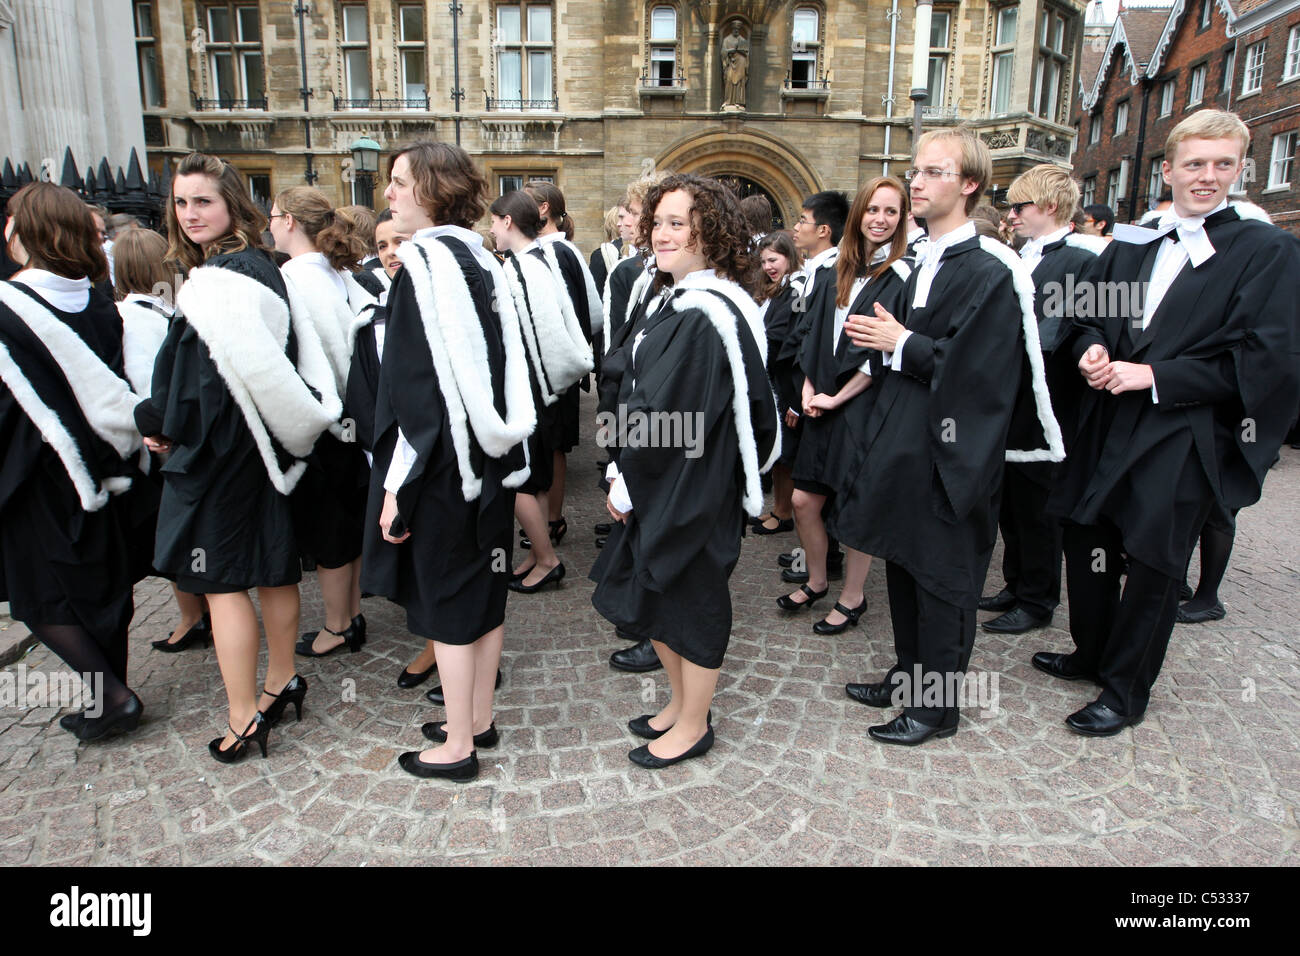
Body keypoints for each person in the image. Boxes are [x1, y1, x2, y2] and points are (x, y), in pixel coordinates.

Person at [1040, 110, 1300, 735]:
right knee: (1088, 538)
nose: (1207, 177)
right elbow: (1082, 318)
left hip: (1183, 434)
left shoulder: (1266, 252)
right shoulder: (1134, 242)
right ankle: (1093, 651)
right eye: (1194, 164)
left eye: (1222, 165)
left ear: (1242, 168)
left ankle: (1126, 690)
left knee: (1154, 560)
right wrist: (1091, 352)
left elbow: (1269, 360)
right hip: (1105, 419)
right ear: (1169, 168)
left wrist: (1156, 377)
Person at [837, 127, 1063, 746]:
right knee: (906, 567)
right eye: (916, 170)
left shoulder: (994, 268)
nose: (916, 181)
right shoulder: (919, 261)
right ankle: (911, 678)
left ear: (969, 185)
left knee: (945, 580)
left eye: (933, 172)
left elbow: (987, 370)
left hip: (955, 454)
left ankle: (936, 709)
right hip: (908, 445)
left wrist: (902, 344)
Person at [137, 152, 341, 763]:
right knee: (273, 567)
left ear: (231, 204)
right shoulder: (264, 267)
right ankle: (282, 681)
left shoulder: (221, 279)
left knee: (223, 584)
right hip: (265, 450)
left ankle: (243, 716)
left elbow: (206, 386)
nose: (190, 212)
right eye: (180, 201)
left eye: (203, 200)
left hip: (222, 456)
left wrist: (161, 424)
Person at [591, 173, 778, 767]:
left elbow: (666, 411)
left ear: (711, 231)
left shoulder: (704, 312)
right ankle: (678, 704)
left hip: (688, 483)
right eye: (658, 221)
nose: (661, 232)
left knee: (691, 599)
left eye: (678, 222)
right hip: (675, 476)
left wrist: (624, 475)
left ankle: (694, 723)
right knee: (662, 594)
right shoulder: (684, 297)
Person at [363, 142, 534, 782]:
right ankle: (480, 719)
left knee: (448, 605)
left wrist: (394, 487)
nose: (390, 195)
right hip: (486, 459)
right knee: (484, 593)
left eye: (401, 183)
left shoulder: (423, 267)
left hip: (441, 467)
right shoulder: (481, 259)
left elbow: (412, 394)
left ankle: (458, 745)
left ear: (433, 189)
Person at [0, 182, 145, 742]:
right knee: (103, 583)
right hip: (104, 461)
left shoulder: (11, 307)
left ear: (25, 230)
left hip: (39, 471)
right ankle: (108, 692)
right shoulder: (99, 300)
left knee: (40, 595)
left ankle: (110, 695)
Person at [980, 165, 1106, 636]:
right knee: (1012, 504)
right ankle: (1016, 584)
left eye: (1019, 207)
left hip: (1047, 403)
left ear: (1049, 207)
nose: (1011, 215)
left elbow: (1058, 334)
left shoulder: (1077, 259)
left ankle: (1038, 599)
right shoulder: (1025, 255)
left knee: (1038, 509)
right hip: (1015, 402)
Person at [787, 177, 913, 636]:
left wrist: (837, 396)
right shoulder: (832, 271)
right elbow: (810, 335)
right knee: (804, 501)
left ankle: (853, 596)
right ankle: (819, 579)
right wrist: (806, 388)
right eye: (873, 210)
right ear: (858, 214)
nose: (880, 220)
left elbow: (881, 352)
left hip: (863, 408)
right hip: (819, 399)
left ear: (901, 220)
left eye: (891, 212)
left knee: (855, 506)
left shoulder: (902, 277)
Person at [268, 187, 377, 661]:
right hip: (354, 418)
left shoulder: (292, 279)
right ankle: (349, 614)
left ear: (289, 221)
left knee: (329, 528)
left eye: (272, 215)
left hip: (325, 420)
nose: (268, 224)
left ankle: (337, 625)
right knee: (347, 522)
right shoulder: (340, 275)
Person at [111, 226, 215, 654]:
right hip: (181, 432)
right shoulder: (167, 312)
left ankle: (194, 616)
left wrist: (154, 428)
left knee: (173, 534)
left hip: (161, 440)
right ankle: (200, 611)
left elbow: (146, 387)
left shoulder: (131, 317)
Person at [490, 190, 594, 594]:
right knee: (532, 478)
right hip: (541, 391)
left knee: (519, 479)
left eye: (495, 222)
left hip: (533, 393)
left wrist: (541, 390)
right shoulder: (535, 261)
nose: (492, 230)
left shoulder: (525, 267)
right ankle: (537, 554)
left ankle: (548, 560)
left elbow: (545, 336)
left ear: (509, 222)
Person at [522, 180, 603, 548]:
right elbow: (596, 316)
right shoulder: (564, 250)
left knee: (549, 446)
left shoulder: (552, 253)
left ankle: (551, 522)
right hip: (555, 371)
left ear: (542, 209)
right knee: (548, 446)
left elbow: (580, 317)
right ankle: (547, 520)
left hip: (552, 372)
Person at [777, 190, 848, 593]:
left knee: (820, 489)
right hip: (799, 391)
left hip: (814, 396)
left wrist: (800, 397)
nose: (797, 227)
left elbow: (813, 341)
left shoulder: (834, 272)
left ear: (823, 230)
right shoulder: (815, 270)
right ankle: (814, 554)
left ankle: (828, 560)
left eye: (803, 220)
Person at [750, 231, 802, 539]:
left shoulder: (795, 290)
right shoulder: (775, 289)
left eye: (774, 260)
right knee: (779, 453)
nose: (768, 266)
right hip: (773, 379)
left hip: (785, 380)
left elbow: (783, 335)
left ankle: (784, 512)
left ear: (789, 257)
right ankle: (779, 507)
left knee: (786, 453)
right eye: (764, 261)